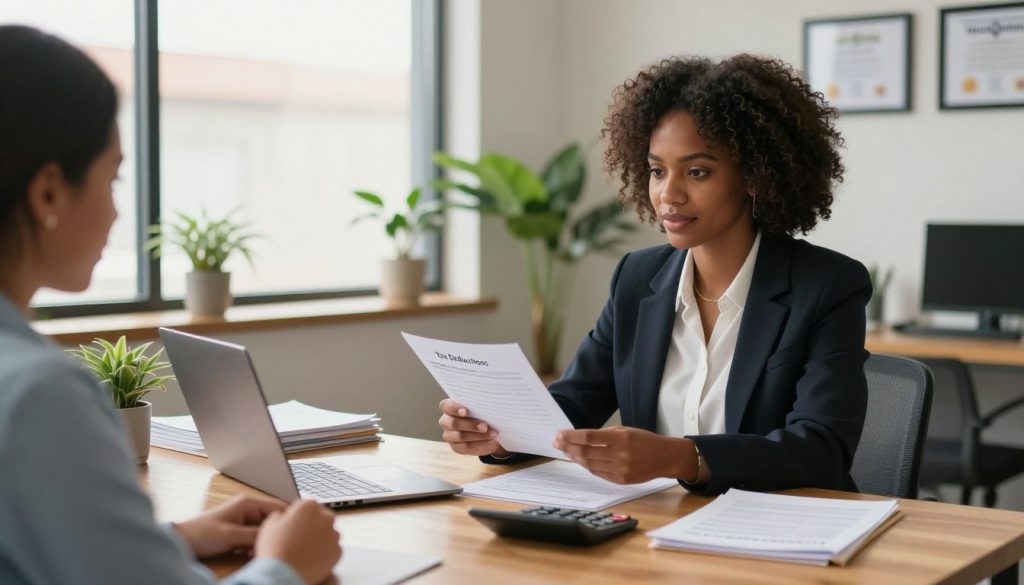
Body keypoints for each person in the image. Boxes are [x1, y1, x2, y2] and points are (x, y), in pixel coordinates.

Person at [438, 54, 871, 496]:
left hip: (782, 531)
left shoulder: (826, 286)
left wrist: (680, 457)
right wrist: (501, 435)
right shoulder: (637, 277)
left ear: (755, 178)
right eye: (657, 170)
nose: (669, 194)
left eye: (697, 172)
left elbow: (822, 448)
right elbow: (574, 404)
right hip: (657, 530)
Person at [0, 25, 341, 585]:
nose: (115, 214)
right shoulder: (39, 395)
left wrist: (172, 542)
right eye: (114, 179)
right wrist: (287, 566)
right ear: (48, 194)